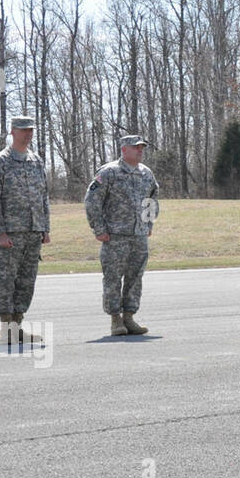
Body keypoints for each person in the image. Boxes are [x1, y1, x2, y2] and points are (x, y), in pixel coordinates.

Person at [0, 115, 50, 345]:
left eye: (30, 130)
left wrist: (45, 227)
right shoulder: (0, 161)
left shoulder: (36, 161)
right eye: (23, 130)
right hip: (9, 234)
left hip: (33, 232)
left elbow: (43, 196)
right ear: (12, 132)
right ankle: (5, 328)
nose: (27, 134)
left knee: (26, 281)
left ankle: (17, 327)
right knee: (5, 280)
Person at [84, 134, 159, 336]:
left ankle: (129, 317)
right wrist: (99, 229)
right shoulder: (109, 172)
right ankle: (115, 320)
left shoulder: (146, 173)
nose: (140, 150)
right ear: (124, 149)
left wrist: (149, 223)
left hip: (139, 235)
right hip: (115, 236)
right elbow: (92, 201)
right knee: (113, 278)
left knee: (135, 277)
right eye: (136, 147)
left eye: (142, 147)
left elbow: (152, 198)